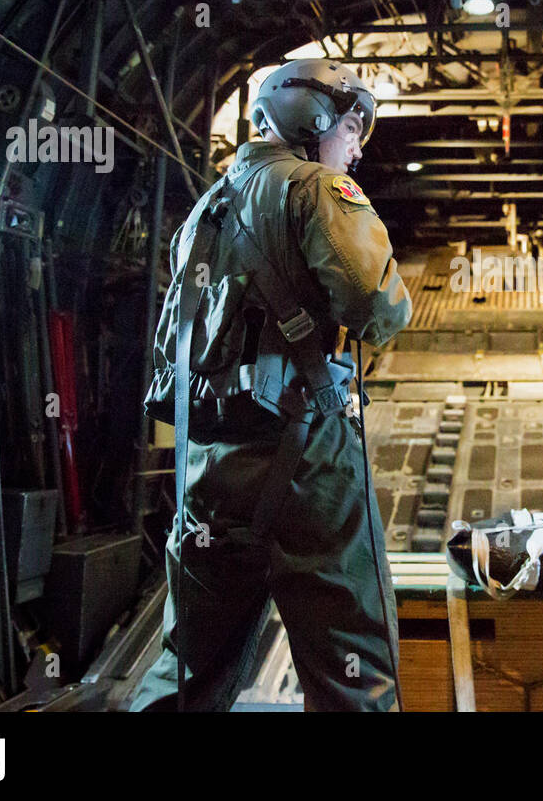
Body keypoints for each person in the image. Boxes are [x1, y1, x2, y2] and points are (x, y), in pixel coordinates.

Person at [130, 58, 411, 711]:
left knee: (186, 673)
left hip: (207, 470)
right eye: (350, 130)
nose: (356, 148)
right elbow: (380, 310)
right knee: (354, 675)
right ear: (312, 122)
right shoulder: (316, 190)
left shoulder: (202, 211)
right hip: (307, 464)